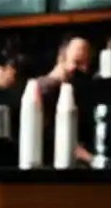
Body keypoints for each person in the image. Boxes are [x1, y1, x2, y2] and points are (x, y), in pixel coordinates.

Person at [36, 35, 94, 163]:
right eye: (77, 62)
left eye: (86, 64)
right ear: (61, 59)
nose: (84, 69)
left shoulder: (76, 90)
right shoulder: (43, 90)